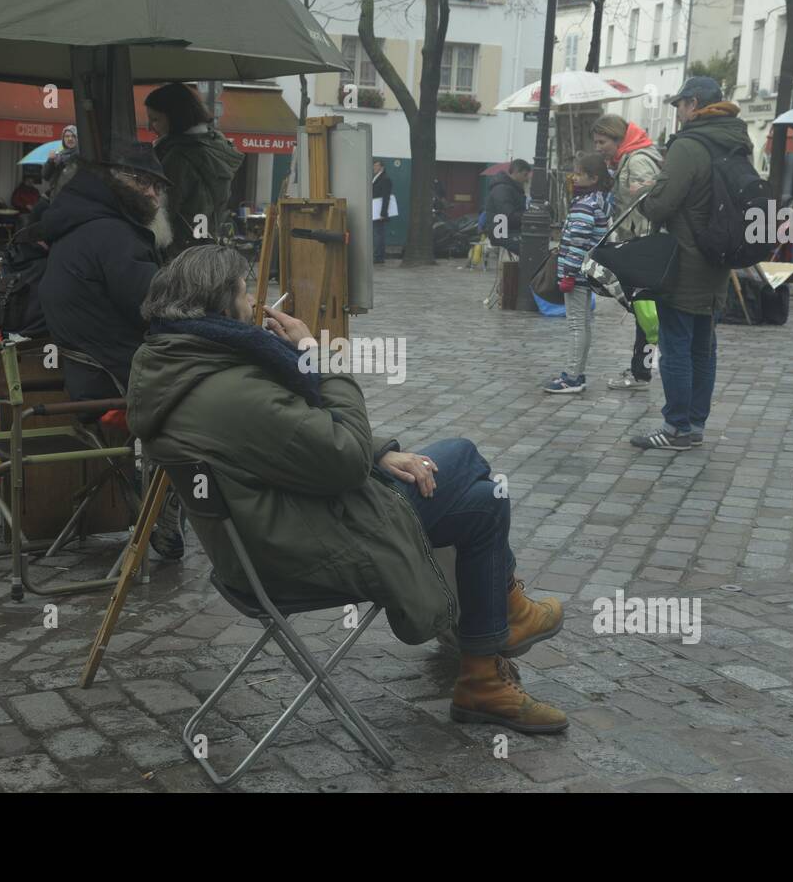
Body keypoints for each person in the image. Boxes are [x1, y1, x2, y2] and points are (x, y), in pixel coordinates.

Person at [127, 245, 570, 734]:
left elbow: (289, 439)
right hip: (301, 547)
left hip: (272, 530)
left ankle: (485, 671)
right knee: (464, 457)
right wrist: (317, 357)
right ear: (219, 303)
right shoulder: (227, 387)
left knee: (484, 502)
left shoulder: (178, 365)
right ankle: (498, 631)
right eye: (243, 291)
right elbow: (339, 457)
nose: (252, 303)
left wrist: (377, 451)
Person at [37, 141, 184, 559]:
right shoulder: (113, 233)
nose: (154, 195)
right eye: (145, 184)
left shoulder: (88, 224)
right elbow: (156, 309)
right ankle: (170, 503)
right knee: (213, 396)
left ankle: (168, 496)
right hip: (115, 378)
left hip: (95, 371)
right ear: (116, 181)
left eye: (158, 186)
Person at [631, 76, 752, 452]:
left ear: (694, 104)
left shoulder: (689, 145)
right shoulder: (738, 142)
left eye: (679, 104)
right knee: (704, 346)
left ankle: (675, 428)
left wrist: (646, 193)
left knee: (676, 346)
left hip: (683, 261)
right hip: (719, 259)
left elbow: (661, 205)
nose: (677, 112)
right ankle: (695, 424)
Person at [591, 114, 664, 392]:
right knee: (644, 312)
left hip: (643, 246)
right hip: (640, 244)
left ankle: (640, 373)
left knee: (646, 312)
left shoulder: (637, 160)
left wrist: (641, 249)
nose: (598, 148)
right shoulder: (628, 159)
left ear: (617, 138)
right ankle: (640, 369)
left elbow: (651, 202)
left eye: (602, 141)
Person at [144, 84, 244, 260]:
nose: (150, 127)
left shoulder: (177, 158)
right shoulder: (216, 150)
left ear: (174, 117)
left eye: (155, 119)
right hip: (205, 246)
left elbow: (163, 211)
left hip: (177, 253)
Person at [543, 152, 612, 394]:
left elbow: (578, 242)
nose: (574, 177)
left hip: (577, 274)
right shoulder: (599, 200)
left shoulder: (585, 204)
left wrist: (569, 273)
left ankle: (572, 377)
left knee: (576, 325)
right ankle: (577, 373)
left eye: (579, 173)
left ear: (592, 178)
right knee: (582, 324)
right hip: (586, 273)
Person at [483, 159, 530, 256]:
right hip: (502, 234)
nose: (527, 179)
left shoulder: (511, 188)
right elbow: (509, 216)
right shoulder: (502, 189)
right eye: (525, 175)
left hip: (509, 231)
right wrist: (530, 216)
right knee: (531, 250)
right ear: (516, 172)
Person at [41, 124, 79, 199]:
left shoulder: (83, 155)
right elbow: (45, 176)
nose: (70, 139)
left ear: (78, 138)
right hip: (57, 198)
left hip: (74, 198)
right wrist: (50, 161)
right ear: (63, 139)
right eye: (67, 136)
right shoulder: (58, 155)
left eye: (73, 136)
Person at [372, 158, 392, 263]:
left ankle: (378, 257)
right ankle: (378, 255)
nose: (374, 167)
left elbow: (386, 197)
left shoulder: (385, 179)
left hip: (379, 212)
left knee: (378, 234)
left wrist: (383, 213)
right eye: (374, 165)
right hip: (374, 210)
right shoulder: (376, 178)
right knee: (377, 233)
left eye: (376, 166)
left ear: (382, 167)